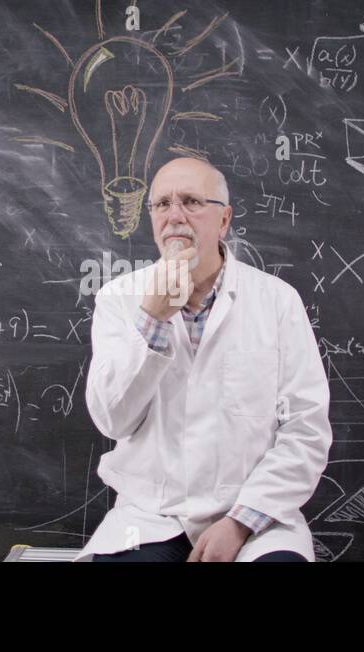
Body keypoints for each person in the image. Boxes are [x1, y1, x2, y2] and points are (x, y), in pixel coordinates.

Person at [74, 157, 332, 562]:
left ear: (224, 219)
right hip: (154, 514)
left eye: (191, 201)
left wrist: (241, 521)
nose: (174, 216)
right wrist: (152, 320)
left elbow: (306, 430)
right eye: (162, 205)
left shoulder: (277, 301)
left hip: (254, 516)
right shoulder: (120, 300)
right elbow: (112, 419)